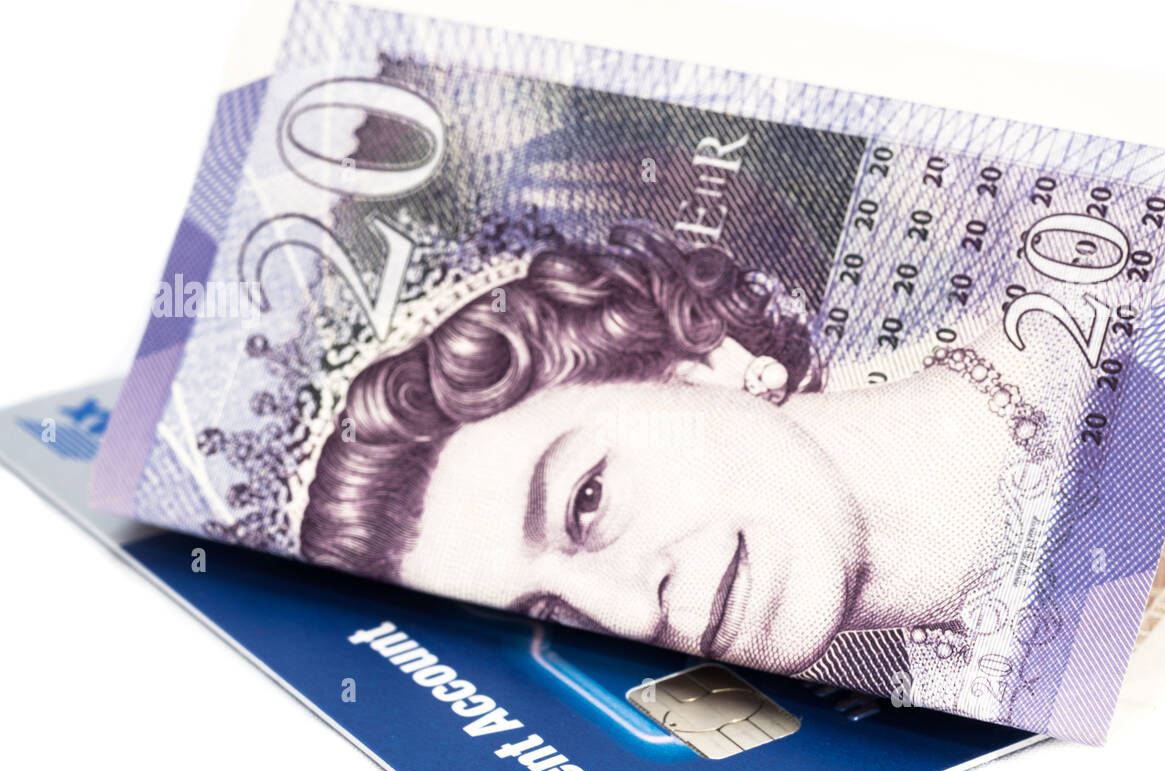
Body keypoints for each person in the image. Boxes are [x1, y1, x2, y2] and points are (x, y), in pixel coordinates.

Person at [302, 223, 1053, 679]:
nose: (627, 617)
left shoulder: (1102, 347)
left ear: (706, 358)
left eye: (584, 501)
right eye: (544, 616)